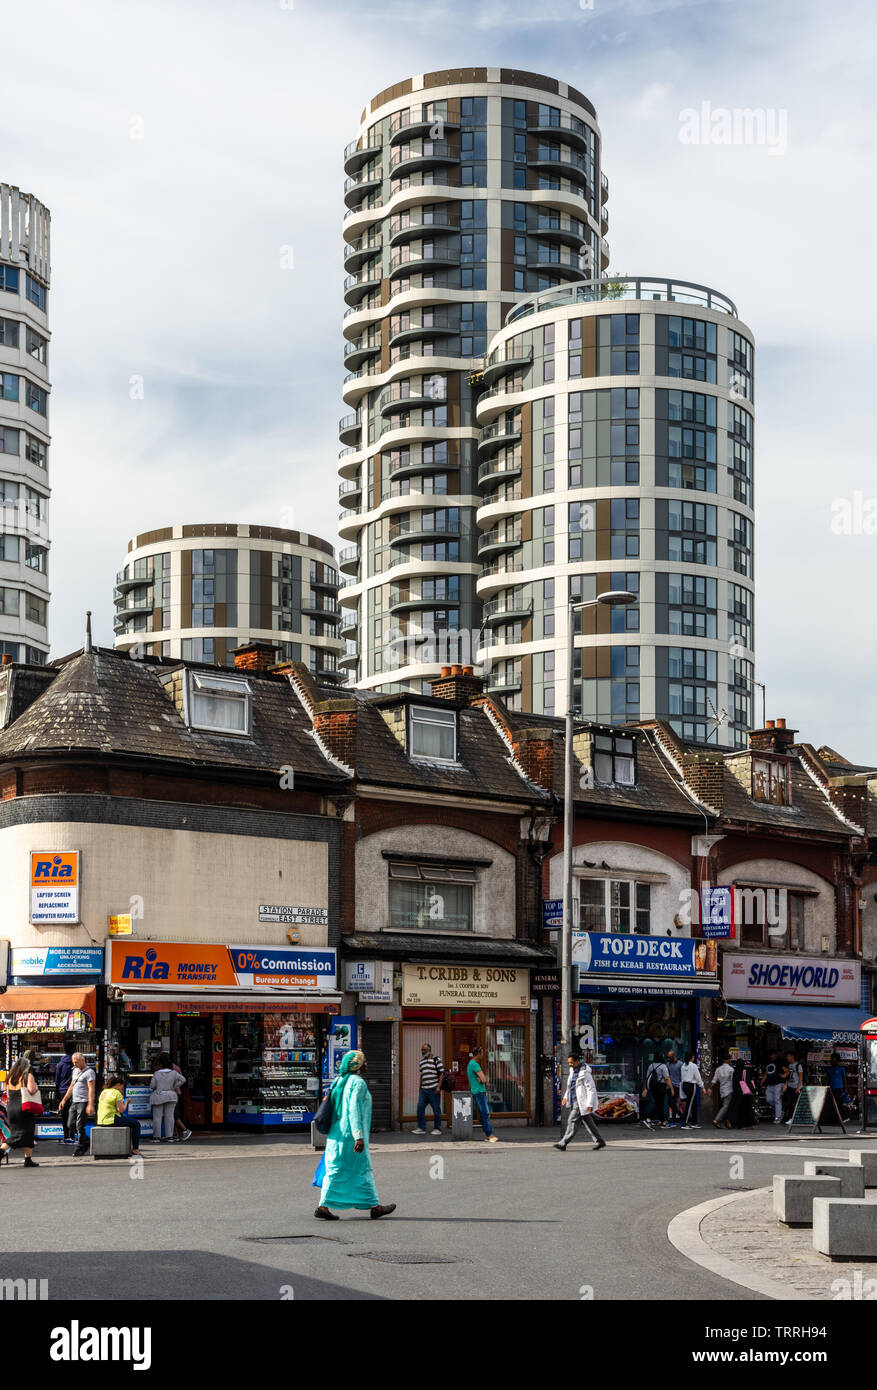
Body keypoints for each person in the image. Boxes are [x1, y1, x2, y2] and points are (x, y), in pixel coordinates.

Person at [315, 1050, 395, 1220]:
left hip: (336, 1134)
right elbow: (354, 1110)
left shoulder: (338, 1081)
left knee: (334, 1169)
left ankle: (324, 1206)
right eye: (364, 1061)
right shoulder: (358, 1083)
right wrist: (358, 1136)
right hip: (350, 1135)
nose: (366, 1064)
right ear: (357, 1066)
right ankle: (374, 1206)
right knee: (362, 1169)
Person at [554, 1053, 606, 1151]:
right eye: (569, 1062)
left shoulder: (584, 1072)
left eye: (572, 1062)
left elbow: (591, 1089)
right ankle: (600, 1141)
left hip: (581, 1101)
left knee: (572, 1121)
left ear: (577, 1061)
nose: (570, 1064)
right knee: (588, 1122)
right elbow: (570, 1087)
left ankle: (563, 1142)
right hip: (574, 1100)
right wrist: (565, 1097)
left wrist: (590, 1104)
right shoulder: (572, 1070)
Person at [5, 1054, 42, 1166]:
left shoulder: (10, 1077)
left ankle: (28, 1159)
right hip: (24, 1108)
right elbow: (31, 1090)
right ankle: (1, 1150)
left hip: (11, 1108)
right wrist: (36, 1086)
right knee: (20, 1135)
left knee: (26, 1134)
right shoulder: (27, 1075)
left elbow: (8, 1094)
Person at [58, 1051, 96, 1157]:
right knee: (70, 1124)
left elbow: (91, 1089)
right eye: (73, 1062)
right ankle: (86, 1140)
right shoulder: (74, 1071)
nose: (74, 1064)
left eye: (76, 1062)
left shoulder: (89, 1072)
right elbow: (71, 1086)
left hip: (83, 1102)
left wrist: (90, 1104)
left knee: (80, 1125)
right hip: (74, 1101)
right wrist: (64, 1100)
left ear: (82, 1061)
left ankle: (80, 1148)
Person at [97, 1075, 142, 1155]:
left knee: (126, 1120)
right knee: (136, 1124)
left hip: (101, 1120)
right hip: (111, 1120)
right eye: (122, 1086)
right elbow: (121, 1110)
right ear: (118, 1084)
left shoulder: (104, 1091)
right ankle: (135, 1149)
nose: (122, 1089)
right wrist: (126, 1102)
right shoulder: (117, 1093)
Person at [149, 1053, 184, 1143]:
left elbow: (152, 1086)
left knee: (157, 1117)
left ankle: (157, 1137)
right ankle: (169, 1136)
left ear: (160, 1064)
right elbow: (183, 1079)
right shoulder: (173, 1073)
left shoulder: (156, 1074)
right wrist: (174, 1086)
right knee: (170, 1116)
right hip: (171, 1095)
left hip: (159, 1096)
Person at [411, 1041, 444, 1136]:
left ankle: (437, 1128)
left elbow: (442, 1073)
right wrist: (419, 1088)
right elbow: (422, 1075)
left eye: (424, 1050)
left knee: (436, 1109)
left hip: (434, 1089)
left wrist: (439, 1087)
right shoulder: (421, 1062)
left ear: (429, 1050)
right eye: (422, 1050)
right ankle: (421, 1128)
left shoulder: (436, 1060)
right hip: (424, 1090)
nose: (422, 1051)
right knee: (420, 1107)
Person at [467, 1045, 498, 1142]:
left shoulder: (470, 1063)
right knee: (485, 1113)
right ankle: (489, 1135)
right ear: (479, 1054)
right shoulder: (475, 1064)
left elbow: (481, 1079)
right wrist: (482, 1079)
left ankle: (488, 1134)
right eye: (482, 1053)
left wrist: (480, 1079)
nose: (483, 1055)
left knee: (483, 1113)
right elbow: (484, 1079)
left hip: (476, 1091)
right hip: (479, 1091)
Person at [643, 1051, 673, 1129]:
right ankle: (648, 1118)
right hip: (661, 1087)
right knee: (659, 1104)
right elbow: (667, 1078)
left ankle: (663, 1121)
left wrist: (645, 1088)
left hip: (653, 1087)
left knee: (659, 1103)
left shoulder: (651, 1066)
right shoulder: (663, 1066)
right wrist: (672, 1089)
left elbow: (647, 1078)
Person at [54, 1043, 76, 1145]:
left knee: (64, 1115)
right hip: (74, 1091)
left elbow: (57, 1080)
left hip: (63, 1092)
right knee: (74, 1114)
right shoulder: (75, 1063)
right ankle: (72, 1136)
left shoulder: (60, 1064)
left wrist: (57, 1091)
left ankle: (66, 1136)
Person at [680, 1051, 704, 1128]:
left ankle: (694, 1122)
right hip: (691, 1085)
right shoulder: (693, 1066)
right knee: (689, 1104)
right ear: (691, 1058)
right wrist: (702, 1086)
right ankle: (684, 1123)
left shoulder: (683, 1065)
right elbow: (698, 1077)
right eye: (693, 1057)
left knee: (694, 1103)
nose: (694, 1058)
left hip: (684, 1085)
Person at [763, 1050, 788, 1124]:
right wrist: (762, 1082)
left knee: (777, 1100)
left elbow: (787, 1071)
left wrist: (785, 1078)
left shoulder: (780, 1062)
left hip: (778, 1083)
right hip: (769, 1084)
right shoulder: (767, 1062)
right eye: (770, 1055)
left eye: (772, 1054)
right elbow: (765, 1073)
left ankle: (778, 1117)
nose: (771, 1056)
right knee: (769, 1100)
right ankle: (780, 1112)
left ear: (775, 1055)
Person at [711, 1053, 735, 1128]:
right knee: (726, 1106)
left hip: (722, 1090)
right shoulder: (731, 1069)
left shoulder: (718, 1069)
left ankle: (727, 1122)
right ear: (728, 1060)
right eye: (730, 1059)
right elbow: (733, 1080)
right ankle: (716, 1120)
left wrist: (710, 1088)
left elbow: (714, 1081)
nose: (731, 1060)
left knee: (726, 1106)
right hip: (729, 1089)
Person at [782, 1050, 803, 1123]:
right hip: (790, 1086)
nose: (787, 1058)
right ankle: (789, 1118)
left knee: (795, 1103)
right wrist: (786, 1084)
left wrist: (798, 1087)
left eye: (788, 1056)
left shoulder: (798, 1065)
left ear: (792, 1057)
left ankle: (793, 1118)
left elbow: (801, 1077)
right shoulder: (789, 1065)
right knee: (789, 1103)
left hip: (796, 1087)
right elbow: (788, 1076)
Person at [827, 1052, 849, 1121]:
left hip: (839, 1088)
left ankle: (843, 1117)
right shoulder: (829, 1069)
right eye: (832, 1059)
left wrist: (845, 1089)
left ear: (837, 1060)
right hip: (831, 1088)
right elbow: (828, 1079)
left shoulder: (841, 1069)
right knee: (833, 1104)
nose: (833, 1061)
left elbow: (844, 1079)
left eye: (835, 1059)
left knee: (839, 1103)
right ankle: (837, 1118)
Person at [666, 1051, 683, 1126]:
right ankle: (683, 1117)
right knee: (670, 1103)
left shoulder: (680, 1064)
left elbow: (683, 1075)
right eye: (668, 1057)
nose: (668, 1059)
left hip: (676, 1086)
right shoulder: (667, 1064)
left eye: (670, 1057)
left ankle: (673, 1121)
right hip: (669, 1087)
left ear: (674, 1056)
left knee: (673, 1103)